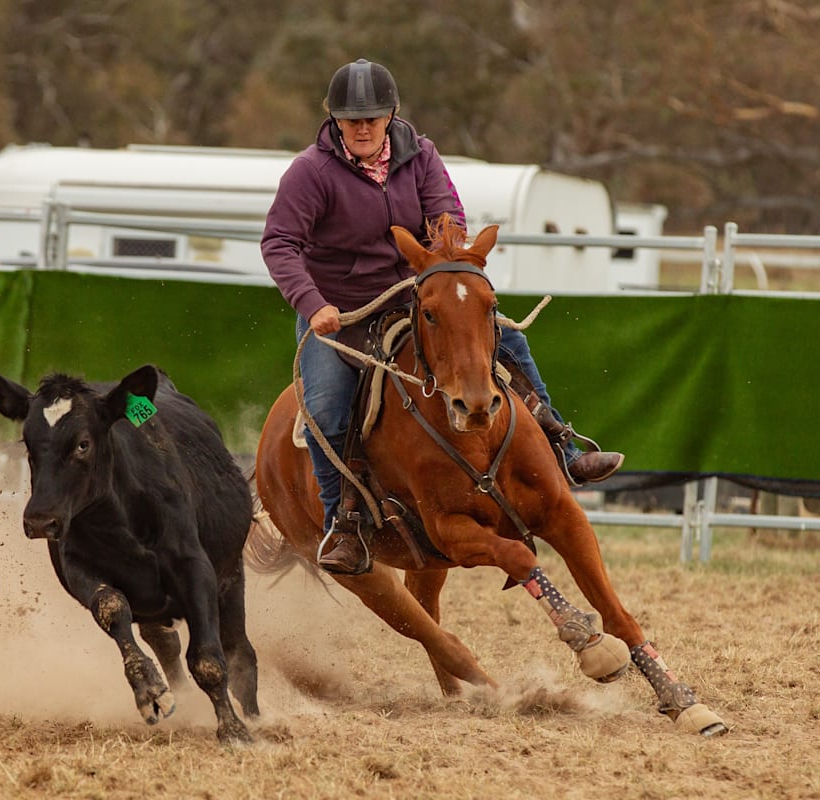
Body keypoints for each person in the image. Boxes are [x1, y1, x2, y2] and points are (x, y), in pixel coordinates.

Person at [261, 59, 623, 575]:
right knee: (325, 409)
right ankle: (343, 521)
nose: (362, 127)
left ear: (391, 115)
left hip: (415, 298)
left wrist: (445, 266)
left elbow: (447, 216)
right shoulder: (310, 172)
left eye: (372, 117)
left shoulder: (421, 155)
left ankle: (560, 443)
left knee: (506, 344)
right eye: (351, 118)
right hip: (339, 315)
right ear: (334, 120)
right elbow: (279, 242)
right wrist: (312, 304)